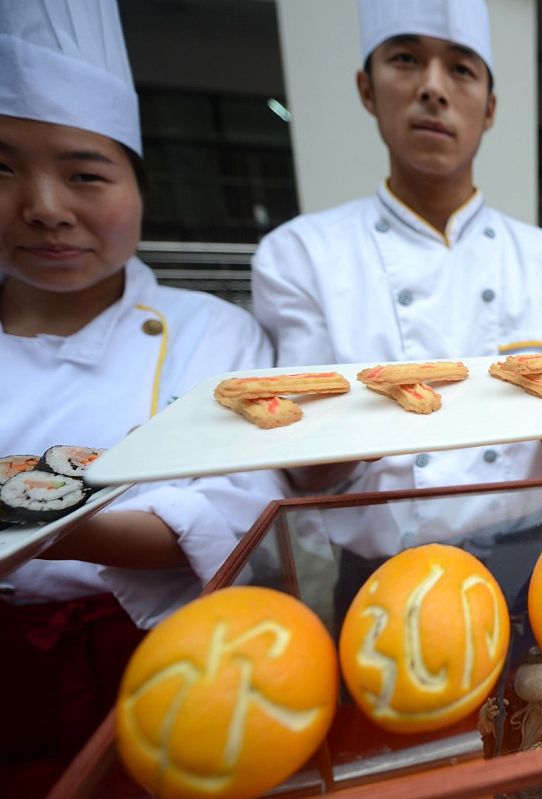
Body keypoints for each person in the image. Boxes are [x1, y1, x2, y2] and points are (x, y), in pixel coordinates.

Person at [0, 1, 278, 791]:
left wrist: (35, 526)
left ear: (138, 188)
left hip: (151, 654)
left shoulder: (211, 334)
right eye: (3, 167)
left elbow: (236, 516)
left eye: (85, 173)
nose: (46, 206)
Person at [251, 0, 542, 601]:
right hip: (381, 573)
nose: (433, 89)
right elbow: (303, 462)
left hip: (529, 557)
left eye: (461, 69)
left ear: (491, 108)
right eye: (406, 59)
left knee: (540, 699)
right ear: (367, 88)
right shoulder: (301, 255)